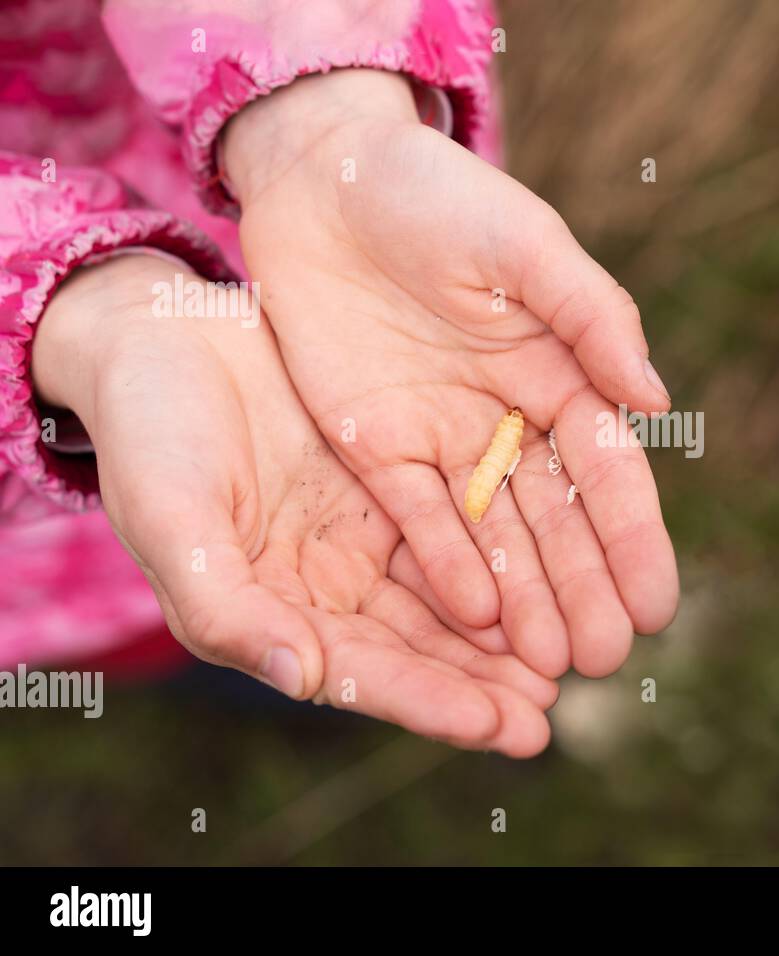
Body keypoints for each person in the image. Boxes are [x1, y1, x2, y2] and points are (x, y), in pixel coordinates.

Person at [0, 0, 679, 757]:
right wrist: (70, 316)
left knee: (304, 605)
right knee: (248, 618)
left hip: (305, 315)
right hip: (50, 558)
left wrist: (322, 116)